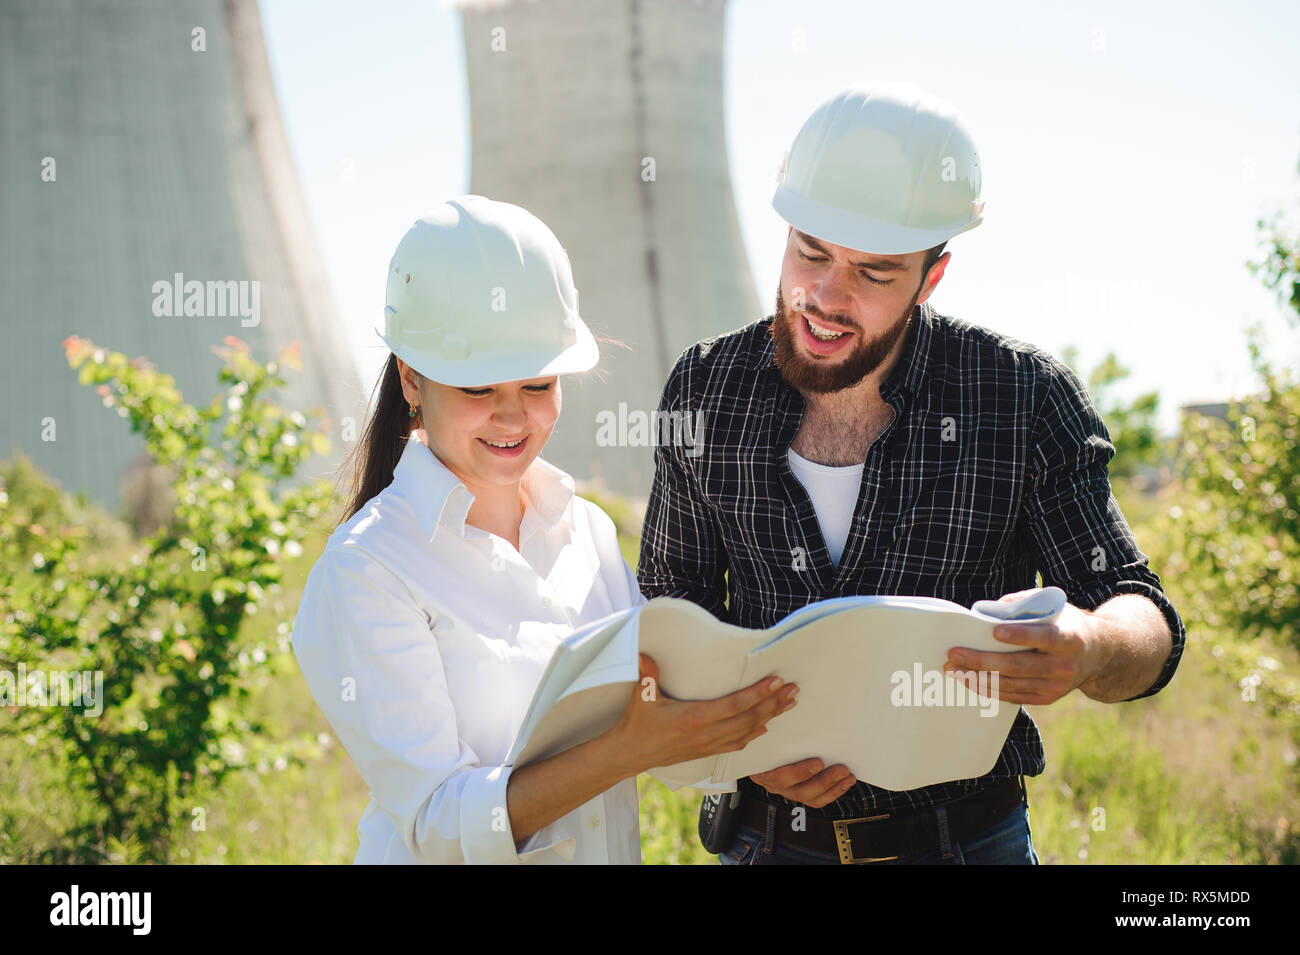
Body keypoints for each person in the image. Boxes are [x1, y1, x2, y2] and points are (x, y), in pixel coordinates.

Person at [636, 82, 1187, 865]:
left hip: (965, 844)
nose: (825, 296)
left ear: (933, 276)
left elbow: (1149, 622)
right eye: (811, 253)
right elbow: (664, 614)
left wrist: (1091, 645)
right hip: (764, 840)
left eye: (873, 273)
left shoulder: (1022, 396)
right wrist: (737, 742)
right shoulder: (705, 387)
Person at [291, 196, 796, 864]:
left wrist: (761, 759)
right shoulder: (368, 569)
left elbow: (658, 704)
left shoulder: (583, 529)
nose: (513, 418)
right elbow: (440, 824)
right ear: (412, 379)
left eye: (537, 385)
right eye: (478, 390)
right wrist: (625, 751)